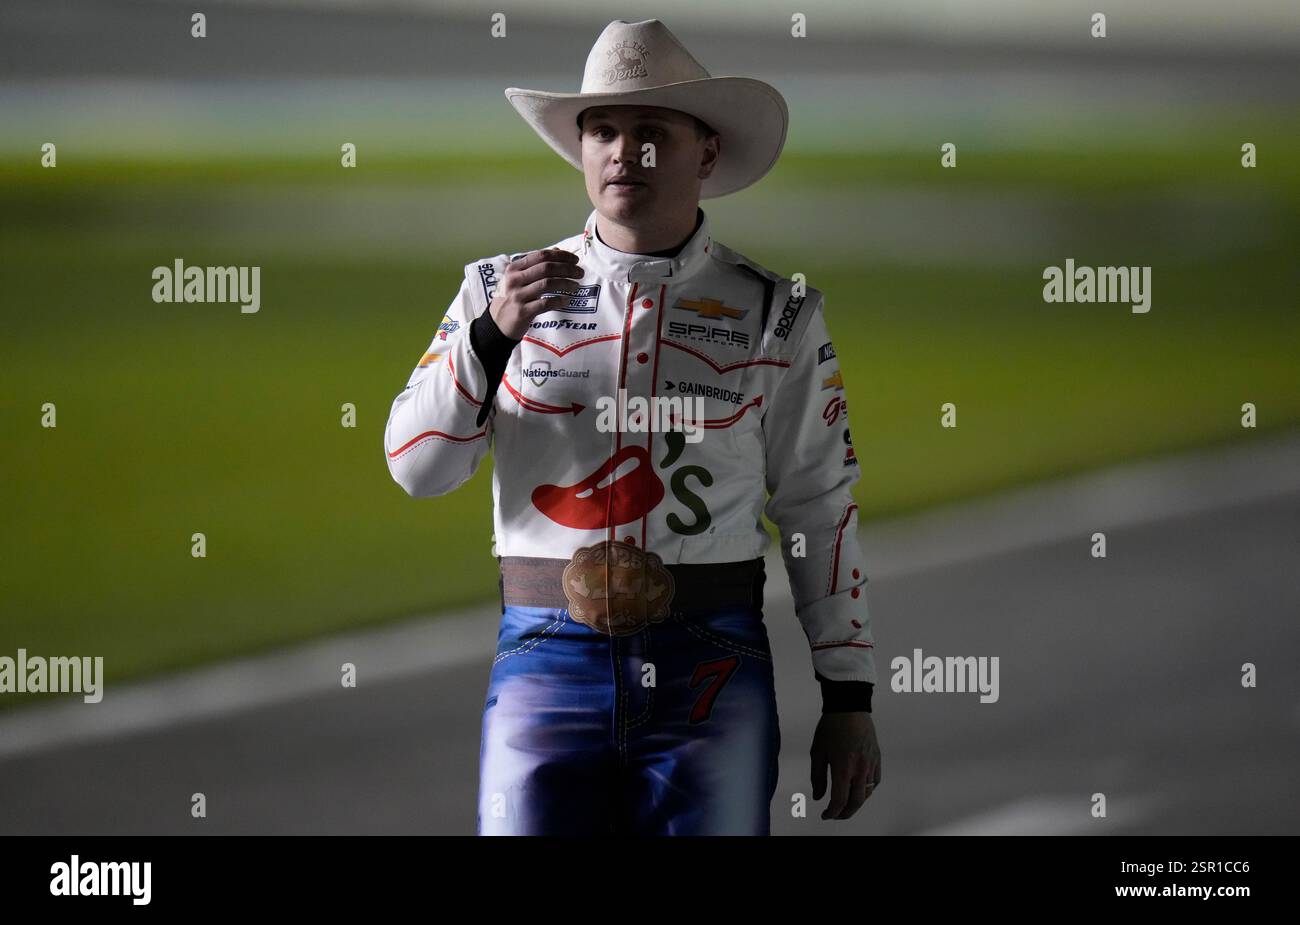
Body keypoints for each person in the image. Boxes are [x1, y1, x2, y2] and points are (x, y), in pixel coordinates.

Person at [383, 18, 881, 835]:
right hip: (543, 658)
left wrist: (849, 693)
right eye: (603, 131)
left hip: (714, 664)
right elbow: (417, 468)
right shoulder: (495, 291)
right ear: (580, 151)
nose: (624, 153)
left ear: (706, 154)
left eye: (651, 133)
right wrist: (490, 336)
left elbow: (819, 507)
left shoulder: (778, 313)